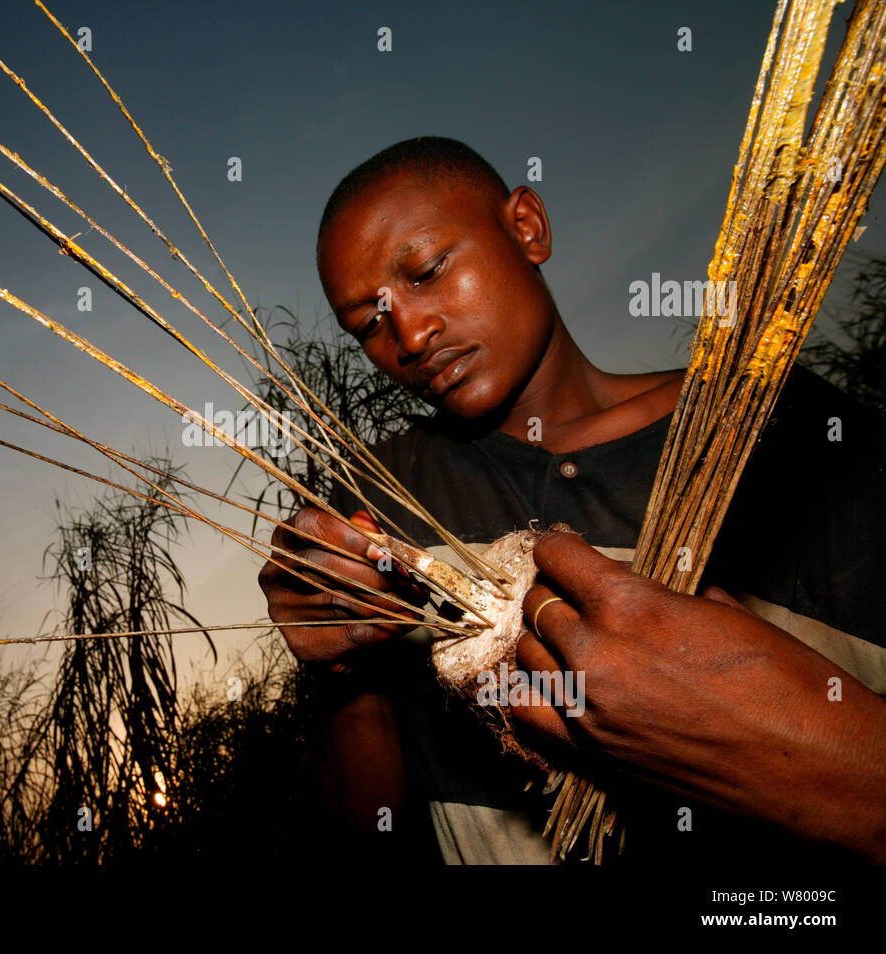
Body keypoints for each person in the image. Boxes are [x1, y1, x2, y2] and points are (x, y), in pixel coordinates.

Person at [258, 136, 886, 864]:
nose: (409, 334)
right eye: (367, 323)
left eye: (428, 272)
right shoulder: (383, 503)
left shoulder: (770, 428)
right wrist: (343, 677)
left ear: (527, 227)